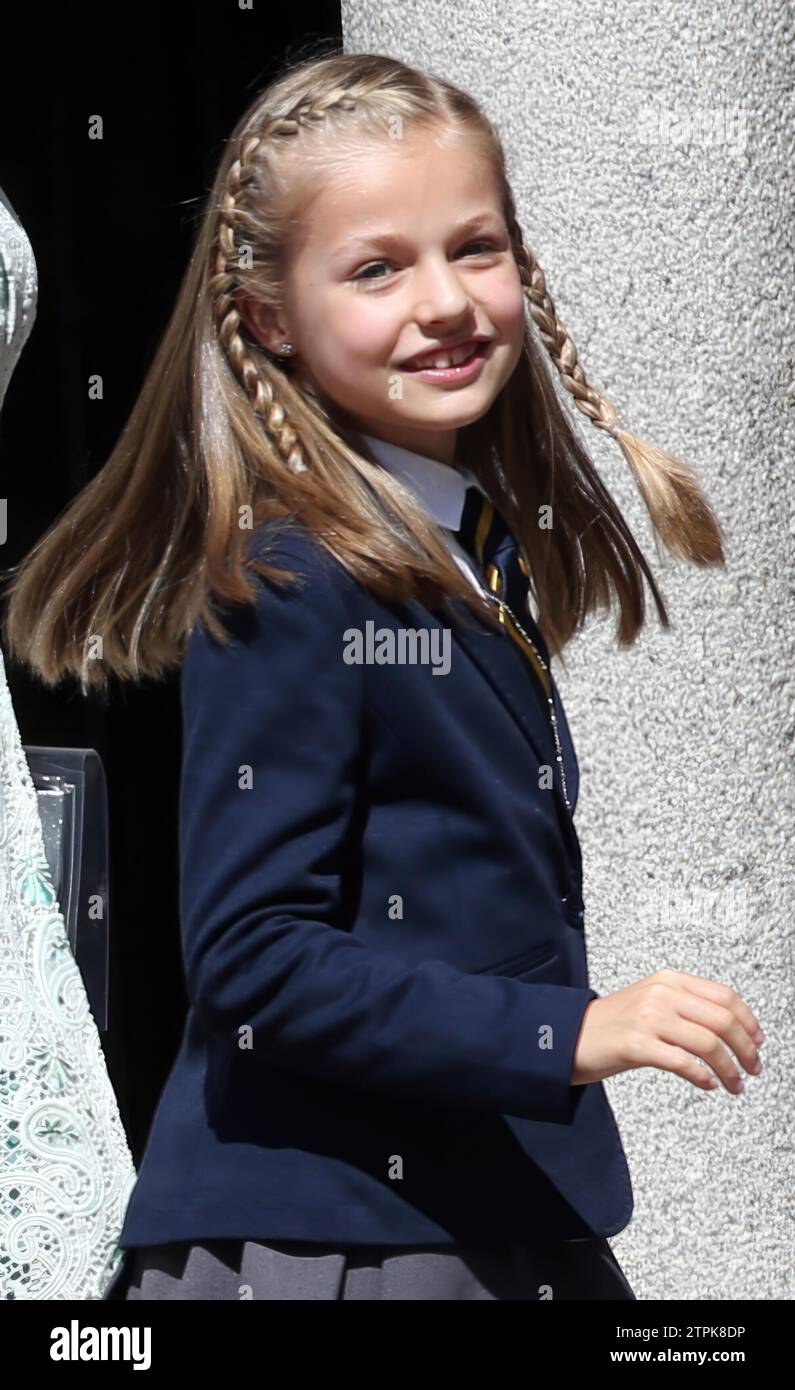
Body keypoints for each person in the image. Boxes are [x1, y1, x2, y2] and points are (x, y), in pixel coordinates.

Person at [0, 50, 764, 1301]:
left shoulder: (461, 550)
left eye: (475, 247)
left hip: (486, 1219)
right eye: (376, 268)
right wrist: (568, 1030)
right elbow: (255, 958)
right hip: (341, 1247)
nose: (446, 300)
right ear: (270, 321)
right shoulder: (293, 583)